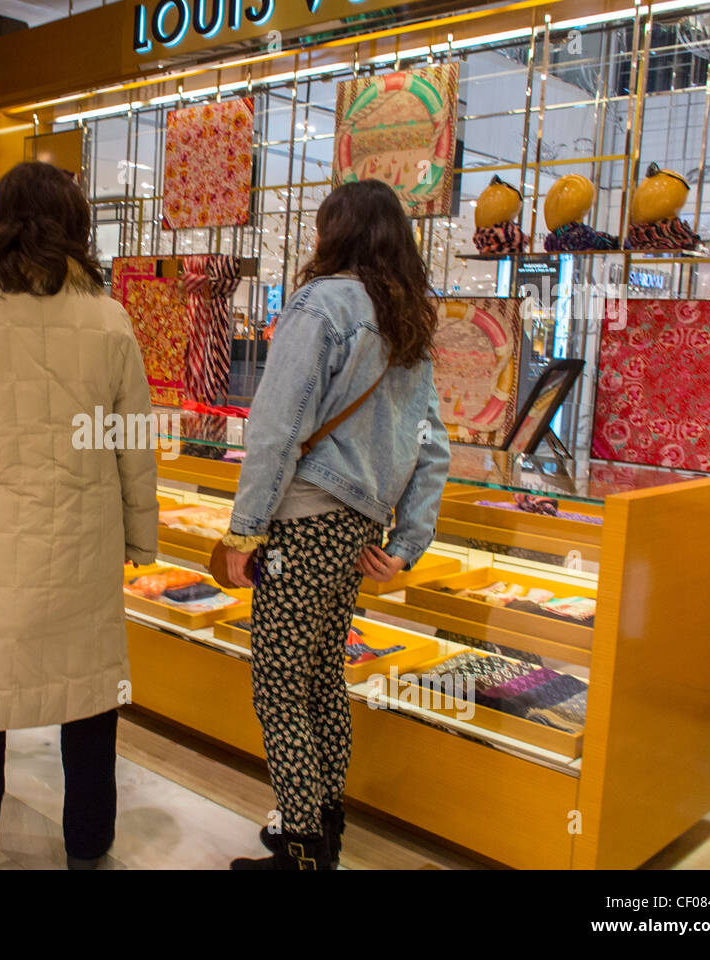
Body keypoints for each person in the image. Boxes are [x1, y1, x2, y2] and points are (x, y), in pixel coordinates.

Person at [0, 162, 158, 869]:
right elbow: (133, 438)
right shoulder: (109, 317)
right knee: (87, 692)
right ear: (76, 226)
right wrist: (142, 534)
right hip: (84, 538)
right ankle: (87, 839)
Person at [221, 179, 450, 870]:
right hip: (356, 528)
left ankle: (301, 849)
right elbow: (432, 442)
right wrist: (407, 541)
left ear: (335, 233)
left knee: (279, 686)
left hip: (301, 522)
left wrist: (245, 527)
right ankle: (323, 828)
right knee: (322, 679)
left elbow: (277, 425)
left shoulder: (321, 305)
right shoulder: (406, 317)